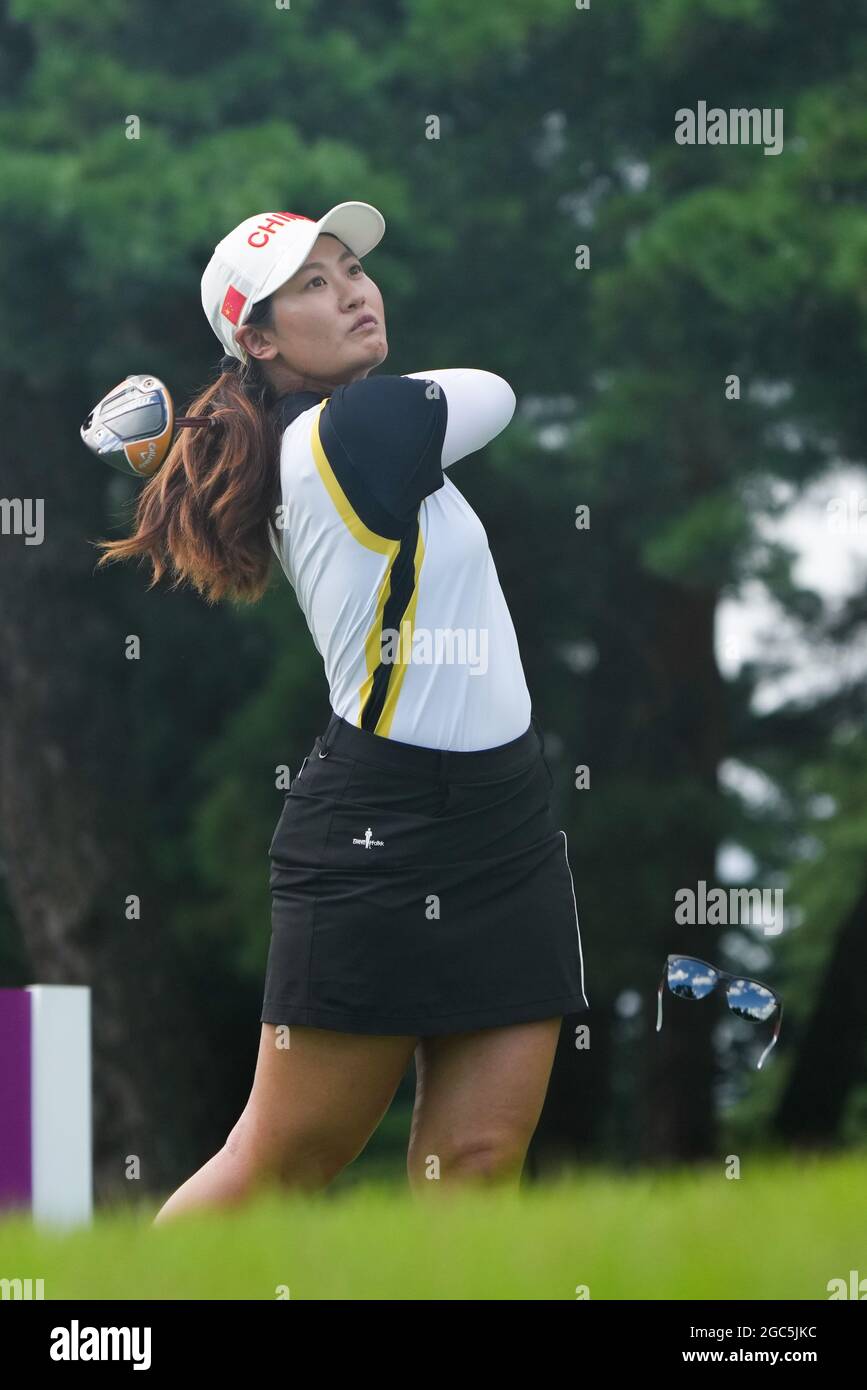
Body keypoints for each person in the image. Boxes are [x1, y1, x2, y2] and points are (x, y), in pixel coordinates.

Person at [95, 202, 589, 1218]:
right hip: (381, 822)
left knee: (483, 1156)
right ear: (262, 340)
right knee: (283, 1159)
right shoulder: (358, 425)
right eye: (313, 285)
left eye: (352, 266)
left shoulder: (339, 435)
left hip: (505, 817)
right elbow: (494, 392)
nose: (354, 290)